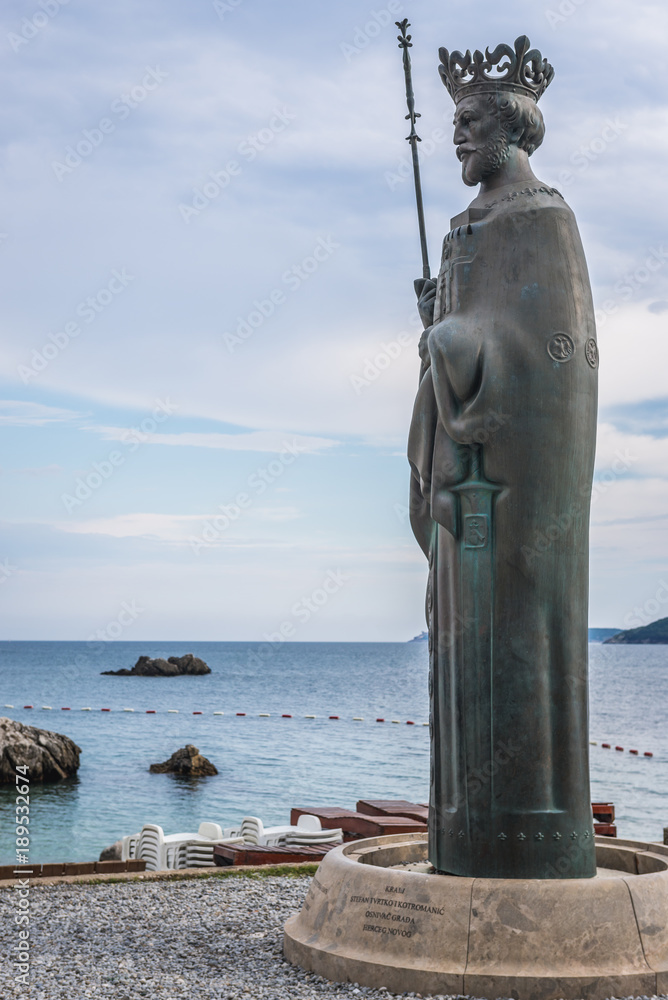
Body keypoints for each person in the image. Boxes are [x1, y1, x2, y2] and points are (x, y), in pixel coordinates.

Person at [408, 36, 598, 878]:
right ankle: (461, 836)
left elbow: (559, 359)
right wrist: (443, 316)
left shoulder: (544, 218)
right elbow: (481, 326)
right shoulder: (467, 227)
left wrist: (457, 337)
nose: (456, 136)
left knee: (514, 635)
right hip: (464, 489)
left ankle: (527, 840)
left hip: (516, 493)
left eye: (470, 120)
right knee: (459, 639)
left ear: (512, 128)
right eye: (451, 121)